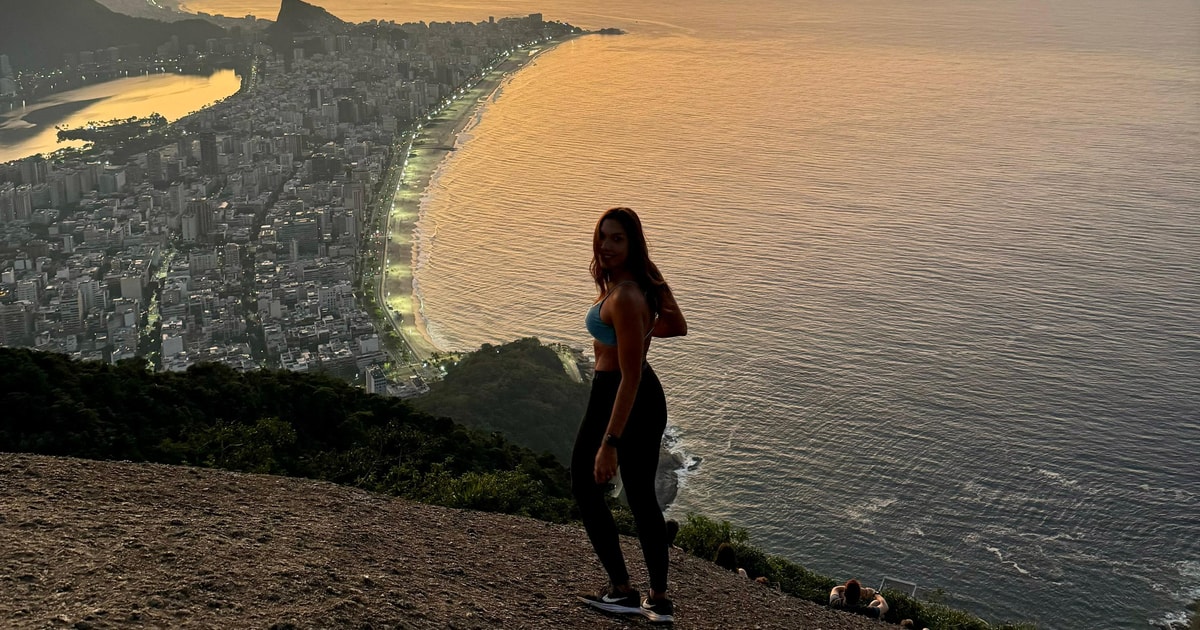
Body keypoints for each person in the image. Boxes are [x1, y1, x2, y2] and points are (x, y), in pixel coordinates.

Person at [573, 207, 687, 624]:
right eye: (603, 236)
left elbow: (630, 375)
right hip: (641, 395)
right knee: (640, 498)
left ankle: (622, 590)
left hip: (621, 392)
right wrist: (639, 330)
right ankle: (658, 600)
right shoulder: (633, 286)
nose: (605, 245)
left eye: (617, 238)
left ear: (632, 244)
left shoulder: (625, 295)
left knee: (586, 486)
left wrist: (610, 443)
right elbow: (677, 325)